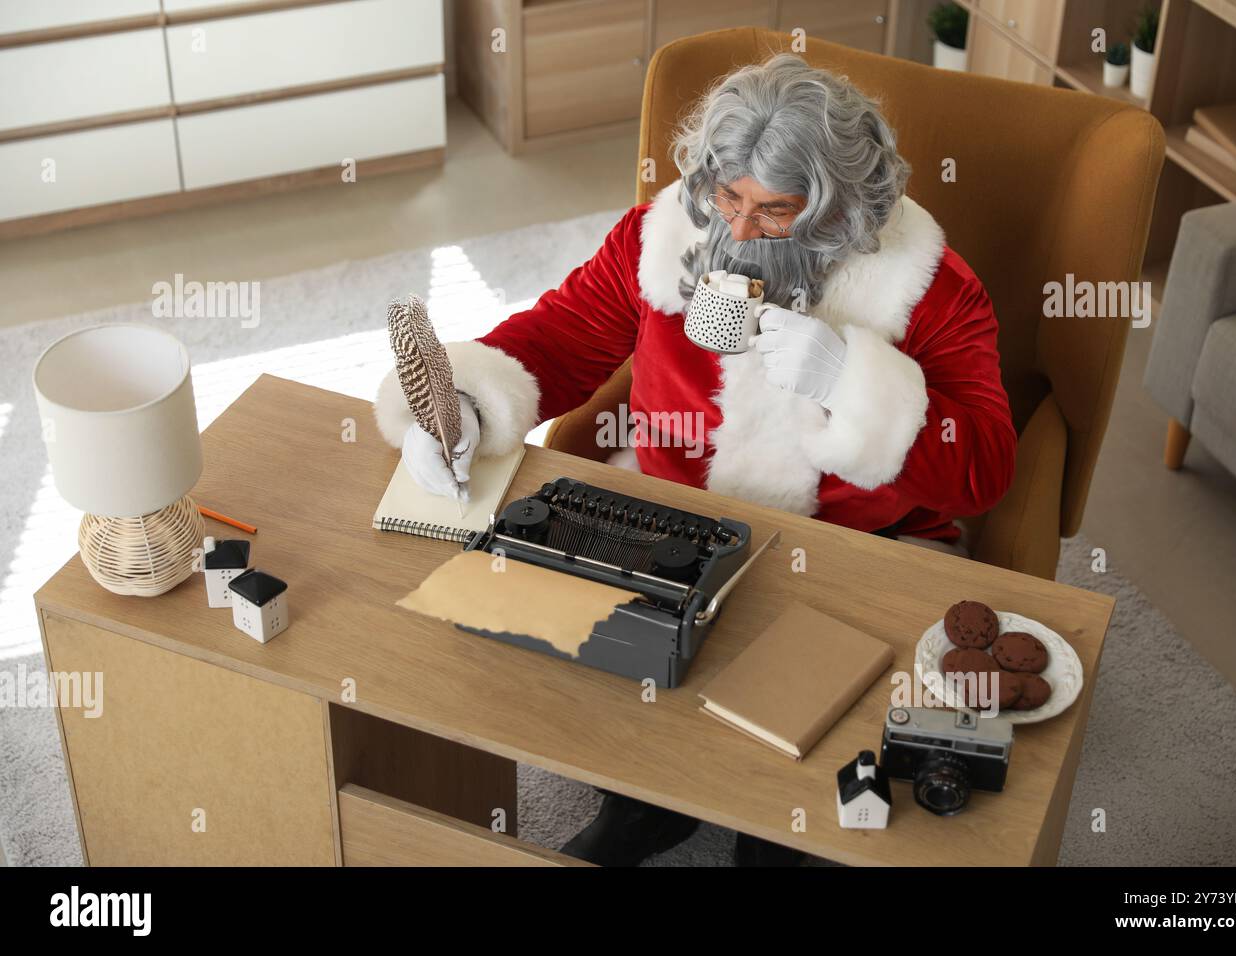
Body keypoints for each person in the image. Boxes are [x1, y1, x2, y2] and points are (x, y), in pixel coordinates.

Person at [374, 53, 1016, 865]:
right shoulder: (661, 238)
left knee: (800, 790)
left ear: (841, 211)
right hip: (678, 526)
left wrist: (848, 382)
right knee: (593, 673)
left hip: (859, 553)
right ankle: (647, 804)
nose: (738, 232)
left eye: (774, 210)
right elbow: (563, 335)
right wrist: (461, 406)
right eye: (727, 196)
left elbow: (987, 468)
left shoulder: (931, 289)